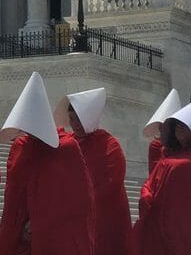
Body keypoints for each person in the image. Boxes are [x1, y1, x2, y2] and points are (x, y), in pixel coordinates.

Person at [0, 72, 95, 255]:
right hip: (19, 236)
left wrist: (39, 222)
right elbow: (13, 196)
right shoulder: (20, 147)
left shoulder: (66, 147)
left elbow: (78, 199)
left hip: (55, 237)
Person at [134, 97, 191, 255]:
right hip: (172, 226)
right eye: (177, 126)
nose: (179, 129)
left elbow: (182, 170)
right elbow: (152, 181)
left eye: (185, 126)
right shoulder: (169, 155)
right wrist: (147, 193)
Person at [56, 87, 130, 255]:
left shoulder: (109, 145)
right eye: (71, 119)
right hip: (76, 219)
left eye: (79, 119)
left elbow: (111, 183)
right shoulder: (68, 143)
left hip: (104, 219)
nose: (75, 124)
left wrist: (78, 203)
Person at [143, 88, 181, 175]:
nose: (160, 129)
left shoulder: (183, 143)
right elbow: (156, 172)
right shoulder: (156, 145)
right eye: (161, 126)